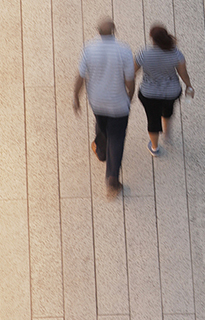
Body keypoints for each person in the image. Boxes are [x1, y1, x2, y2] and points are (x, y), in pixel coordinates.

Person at [73, 18, 135, 194]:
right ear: (114, 30)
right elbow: (130, 79)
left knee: (101, 125)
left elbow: (80, 76)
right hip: (118, 104)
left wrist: (76, 96)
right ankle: (112, 177)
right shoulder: (124, 50)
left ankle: (101, 152)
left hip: (97, 101)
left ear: (98, 32)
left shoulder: (89, 48)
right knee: (116, 138)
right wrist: (129, 96)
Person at [134, 24, 194, 156]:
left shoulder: (144, 53)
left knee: (152, 119)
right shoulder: (176, 54)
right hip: (171, 92)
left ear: (152, 39)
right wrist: (189, 86)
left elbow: (132, 71)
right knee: (167, 110)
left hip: (149, 93)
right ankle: (167, 134)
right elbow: (183, 73)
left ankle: (154, 147)